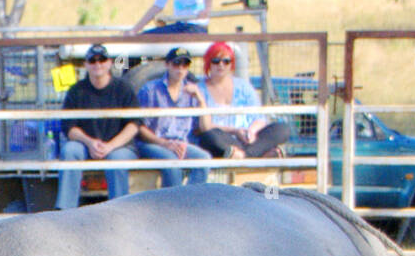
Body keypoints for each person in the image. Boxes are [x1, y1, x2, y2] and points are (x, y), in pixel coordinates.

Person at [56, 44, 140, 210]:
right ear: (86, 65)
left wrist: (111, 146)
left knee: (117, 159)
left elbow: (134, 125)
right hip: (86, 146)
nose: (97, 64)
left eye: (101, 59)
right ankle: (65, 211)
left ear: (109, 63)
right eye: (92, 61)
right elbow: (69, 127)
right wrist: (89, 142)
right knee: (70, 150)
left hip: (119, 146)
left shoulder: (123, 88)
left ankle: (120, 210)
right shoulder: (76, 91)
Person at [195, 41, 291, 161]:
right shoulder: (199, 89)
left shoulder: (244, 86)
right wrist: (235, 131)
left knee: (282, 129)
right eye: (216, 61)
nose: (221, 65)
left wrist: (251, 132)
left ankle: (243, 156)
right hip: (224, 139)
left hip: (248, 140)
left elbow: (260, 118)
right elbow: (203, 127)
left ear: (231, 64)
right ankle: (257, 156)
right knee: (209, 136)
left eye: (226, 61)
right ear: (209, 63)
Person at [136, 46, 212, 187]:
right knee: (172, 163)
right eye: (176, 63)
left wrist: (201, 99)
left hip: (181, 143)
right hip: (152, 143)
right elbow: (139, 128)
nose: (180, 69)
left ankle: (189, 202)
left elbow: (205, 127)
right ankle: (171, 206)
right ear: (167, 65)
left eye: (185, 64)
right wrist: (164, 143)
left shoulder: (194, 91)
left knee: (204, 159)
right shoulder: (150, 90)